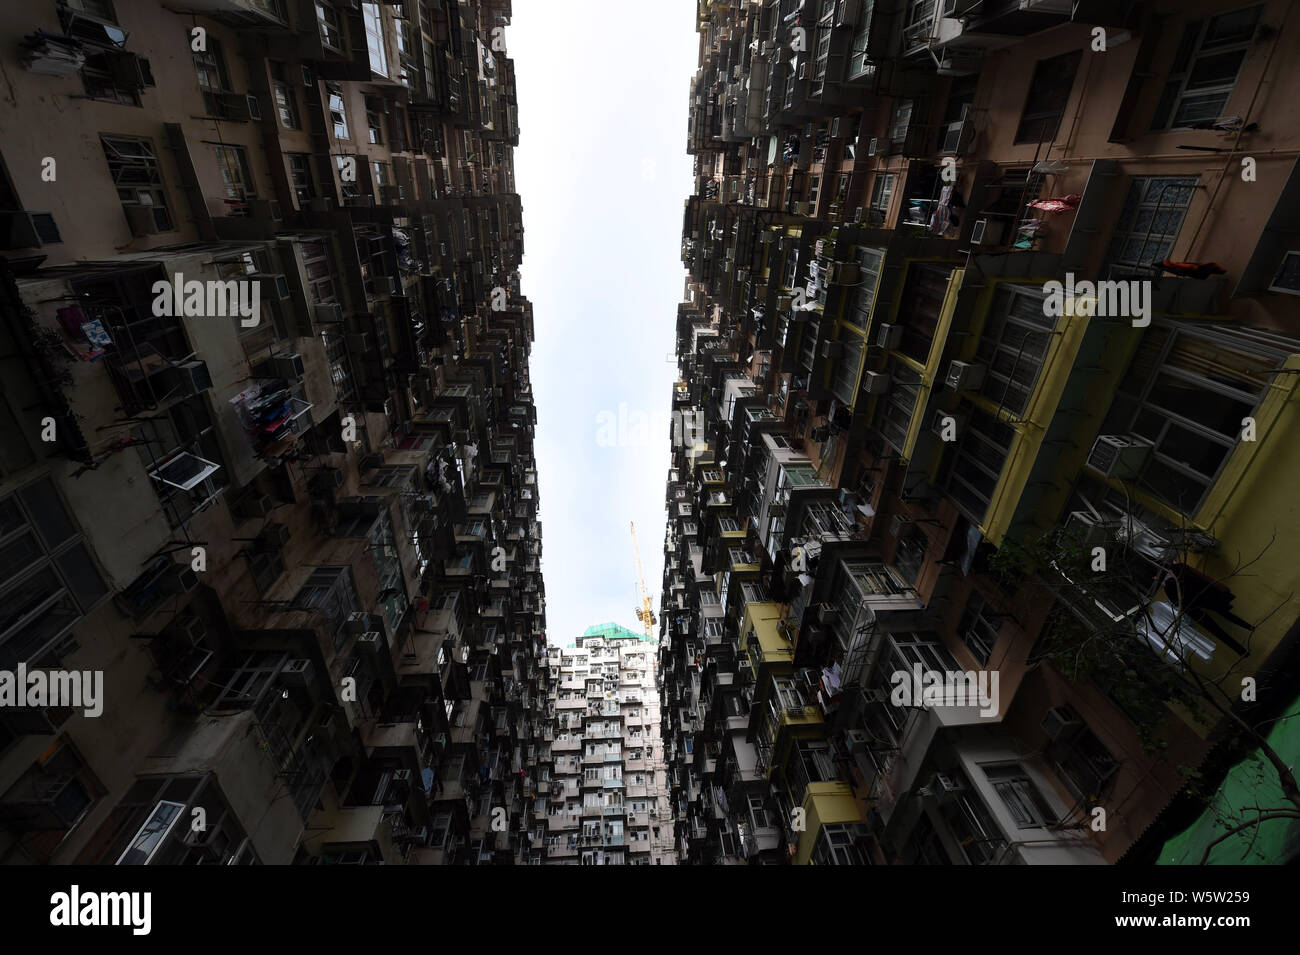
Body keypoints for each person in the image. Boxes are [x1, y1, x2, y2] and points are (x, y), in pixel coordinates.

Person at [1161, 562, 1251, 656]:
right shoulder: (1177, 569)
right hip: (1203, 597)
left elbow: (1178, 602)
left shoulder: (1175, 572)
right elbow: (1200, 577)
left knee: (1217, 627)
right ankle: (1248, 631)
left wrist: (1218, 587)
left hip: (1200, 599)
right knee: (1221, 619)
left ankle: (1243, 646)